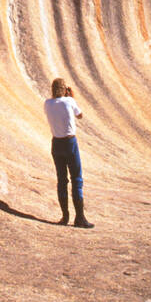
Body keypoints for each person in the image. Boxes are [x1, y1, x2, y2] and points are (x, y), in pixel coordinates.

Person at [44, 77, 93, 228]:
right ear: (65, 90)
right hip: (70, 143)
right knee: (76, 179)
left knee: (62, 180)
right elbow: (80, 115)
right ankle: (79, 218)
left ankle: (65, 217)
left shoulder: (47, 103)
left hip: (56, 144)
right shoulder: (69, 101)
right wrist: (72, 97)